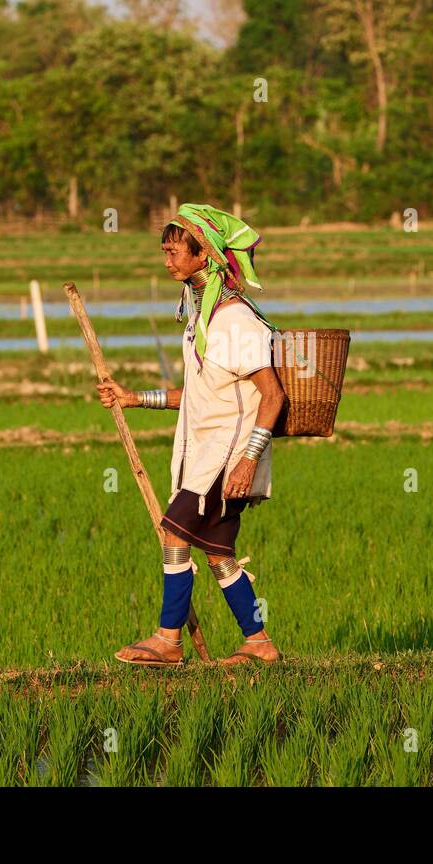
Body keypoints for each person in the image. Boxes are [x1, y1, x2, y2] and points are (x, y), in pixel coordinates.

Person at [97, 203, 286, 667]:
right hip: (207, 455)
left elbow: (273, 395)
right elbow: (198, 394)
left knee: (172, 532)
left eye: (173, 251)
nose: (166, 260)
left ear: (204, 256)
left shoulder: (236, 319)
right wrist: (133, 398)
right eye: (163, 251)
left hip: (230, 456)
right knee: (220, 554)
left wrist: (248, 460)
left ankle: (167, 639)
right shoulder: (199, 319)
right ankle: (259, 645)